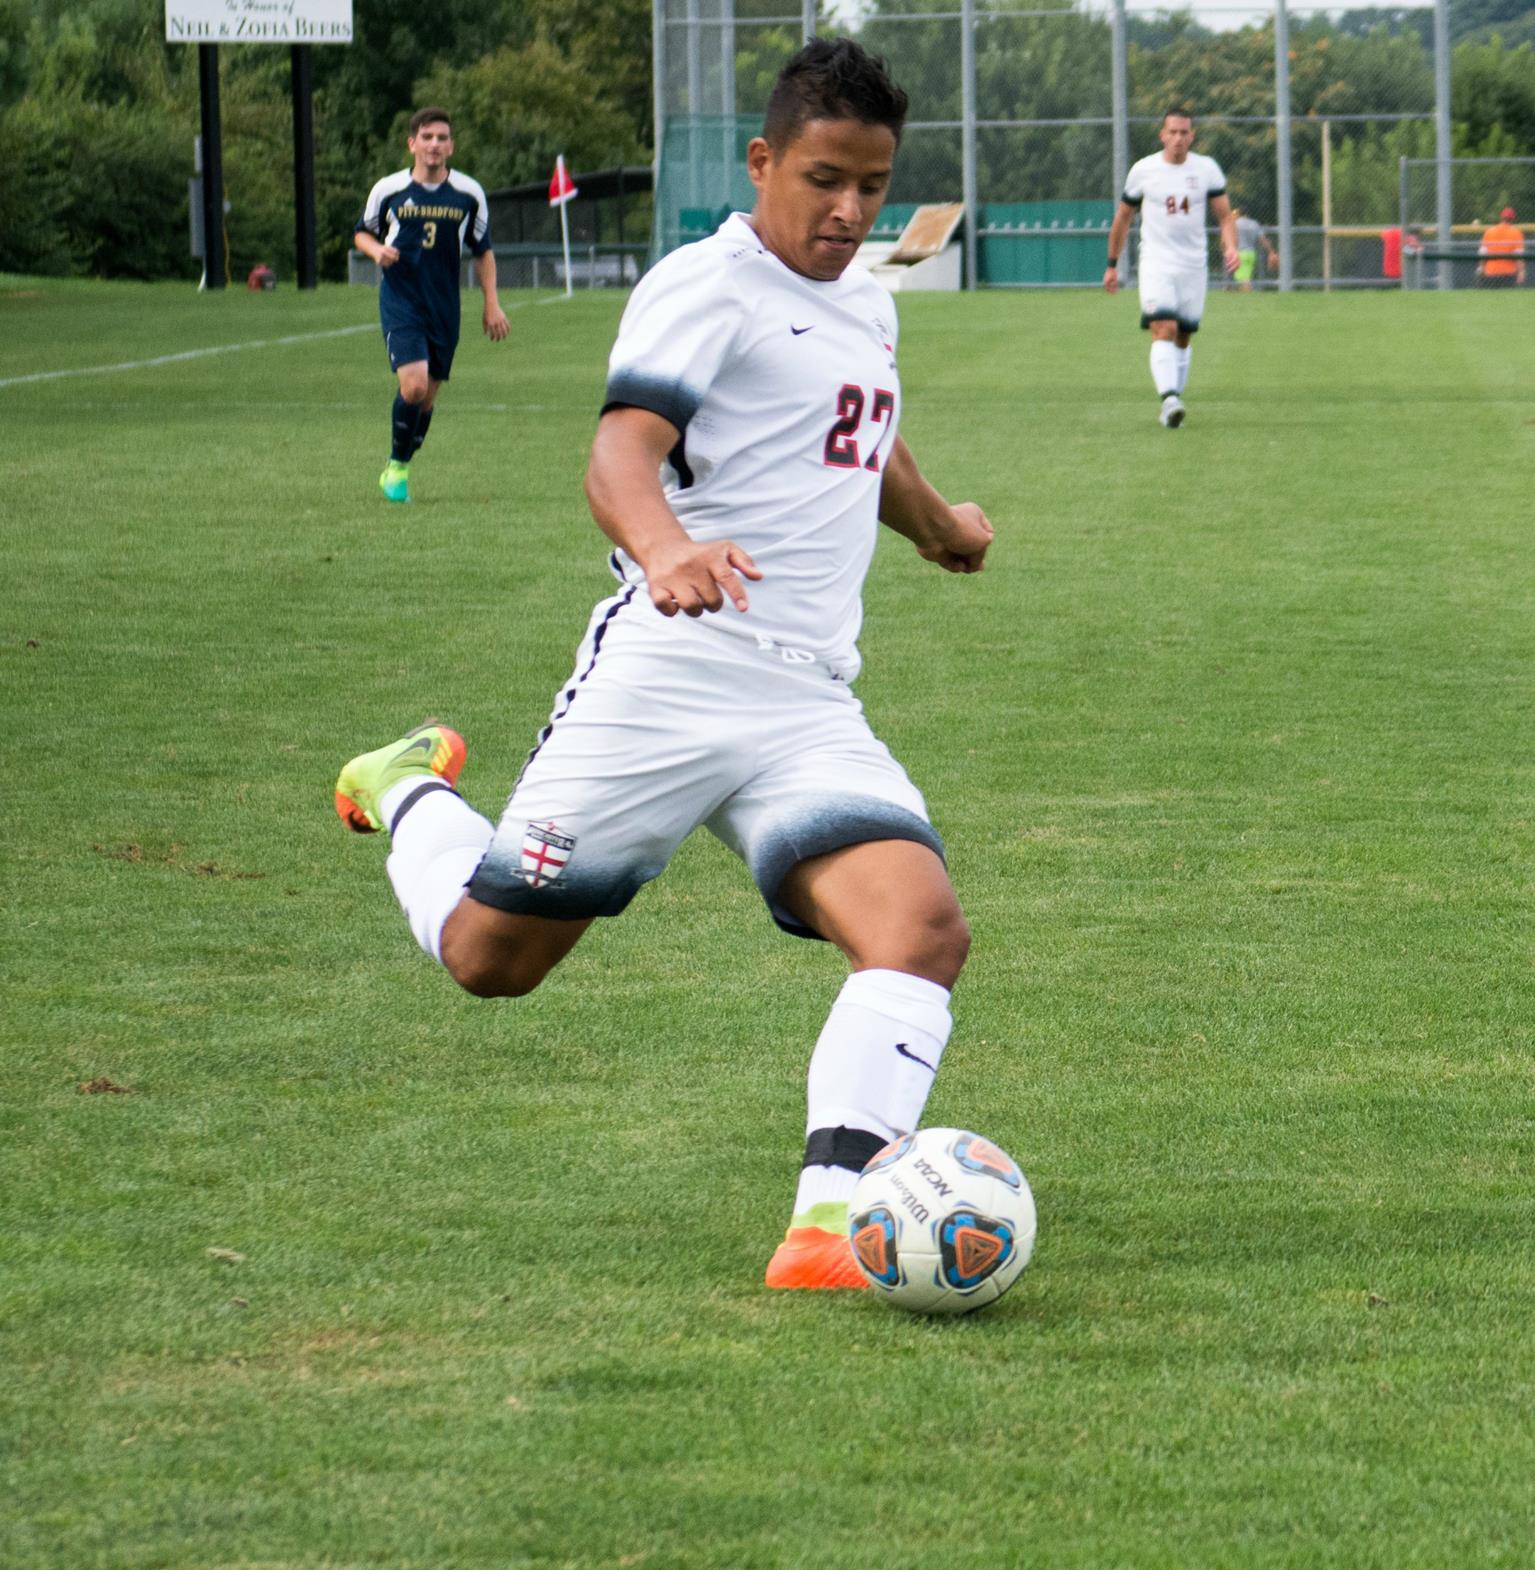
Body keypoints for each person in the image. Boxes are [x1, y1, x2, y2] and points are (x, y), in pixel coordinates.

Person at [332, 39, 996, 1292]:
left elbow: (860, 432)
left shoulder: (865, 293)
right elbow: (619, 455)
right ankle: (407, 784)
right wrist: (665, 547)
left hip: (805, 697)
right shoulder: (705, 285)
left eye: (869, 184)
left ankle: (828, 1226)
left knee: (918, 927)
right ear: (762, 162)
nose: (848, 211)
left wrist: (937, 523)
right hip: (669, 676)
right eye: (821, 180)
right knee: (490, 959)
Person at [354, 107, 509, 504]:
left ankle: (403, 456)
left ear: (451, 146)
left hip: (444, 305)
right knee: (414, 384)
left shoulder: (469, 194)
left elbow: (483, 251)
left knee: (427, 398)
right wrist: (377, 251)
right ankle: (397, 469)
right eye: (427, 137)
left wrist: (492, 303)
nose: (434, 145)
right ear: (412, 144)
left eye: (442, 138)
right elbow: (362, 234)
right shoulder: (387, 190)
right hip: (401, 301)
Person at [1103, 109, 1240, 428]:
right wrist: (1112, 265)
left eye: (1184, 133)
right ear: (1162, 135)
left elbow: (1224, 216)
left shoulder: (1206, 170)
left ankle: (1173, 400)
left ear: (1192, 136)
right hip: (1156, 263)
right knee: (1163, 327)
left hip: (1193, 266)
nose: (1178, 138)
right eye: (1173, 132)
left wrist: (1230, 246)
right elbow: (1123, 218)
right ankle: (1169, 399)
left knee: (1183, 336)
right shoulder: (1144, 171)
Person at [1229, 208, 1278, 291]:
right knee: (1245, 277)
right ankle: (1245, 294)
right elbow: (1262, 239)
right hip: (1251, 253)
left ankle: (1247, 294)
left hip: (1240, 253)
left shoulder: (1235, 223)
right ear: (1247, 214)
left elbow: (1231, 238)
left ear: (1239, 214)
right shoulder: (1254, 224)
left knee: (1242, 279)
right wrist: (1271, 251)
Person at [1476, 207, 1525, 288]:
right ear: (1513, 219)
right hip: (1508, 274)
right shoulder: (1516, 233)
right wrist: (1521, 272)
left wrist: (1481, 268)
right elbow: (1519, 256)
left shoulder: (1489, 231)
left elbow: (1483, 253)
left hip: (1490, 273)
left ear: (1501, 217)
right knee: (1507, 298)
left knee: (1490, 298)